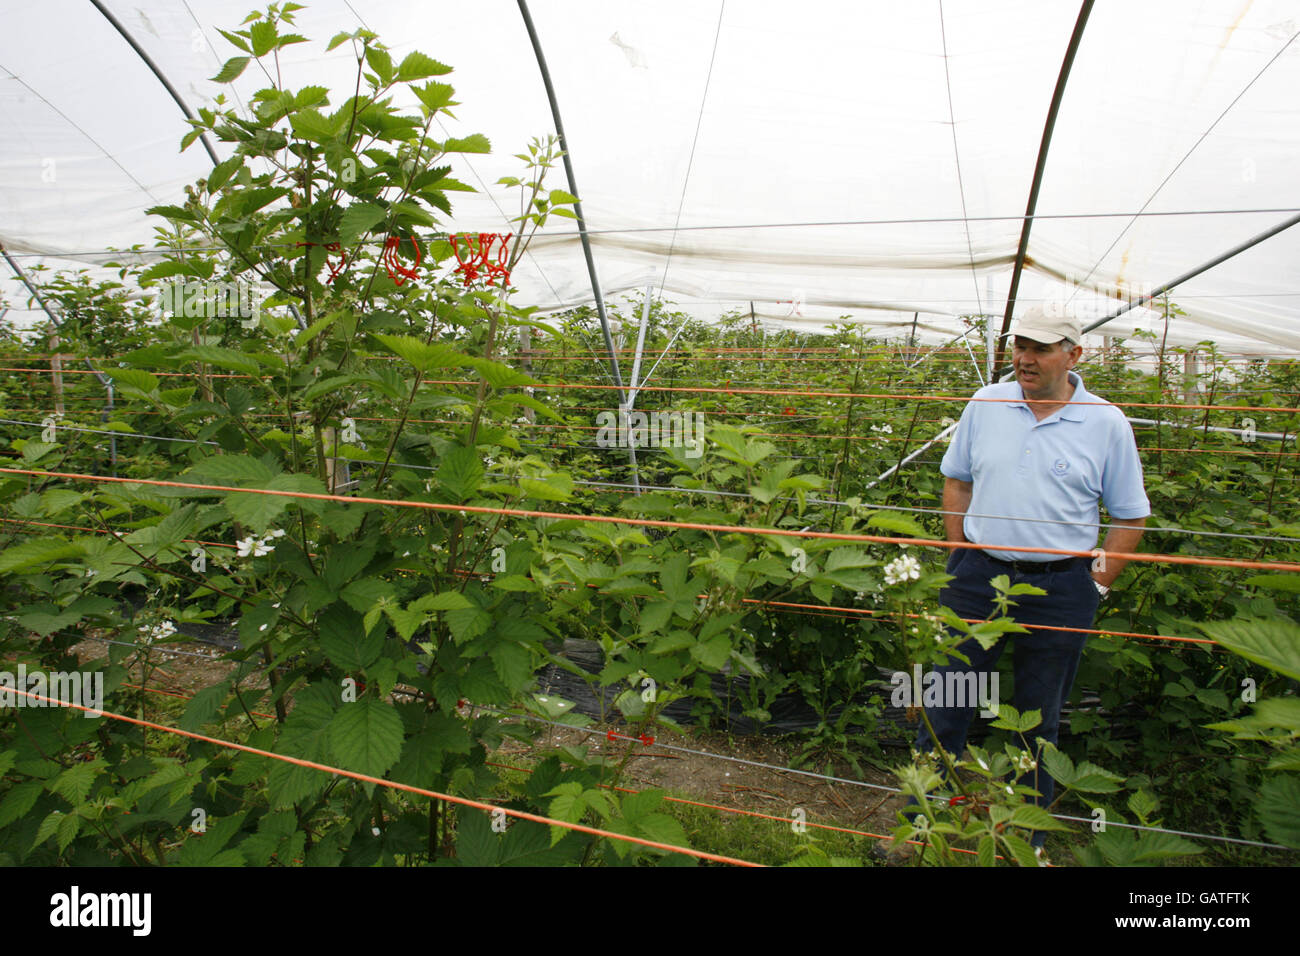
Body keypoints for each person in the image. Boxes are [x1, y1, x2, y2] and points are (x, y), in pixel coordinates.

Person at [910, 305, 1150, 857]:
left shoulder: (1105, 422)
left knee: (1037, 724)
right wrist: (958, 554)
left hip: (1061, 587)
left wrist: (1099, 584)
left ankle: (1024, 843)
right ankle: (920, 830)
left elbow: (1130, 515)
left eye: (1041, 348)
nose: (1025, 358)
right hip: (978, 577)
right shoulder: (986, 403)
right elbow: (957, 480)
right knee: (946, 704)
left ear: (1074, 354)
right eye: (1020, 346)